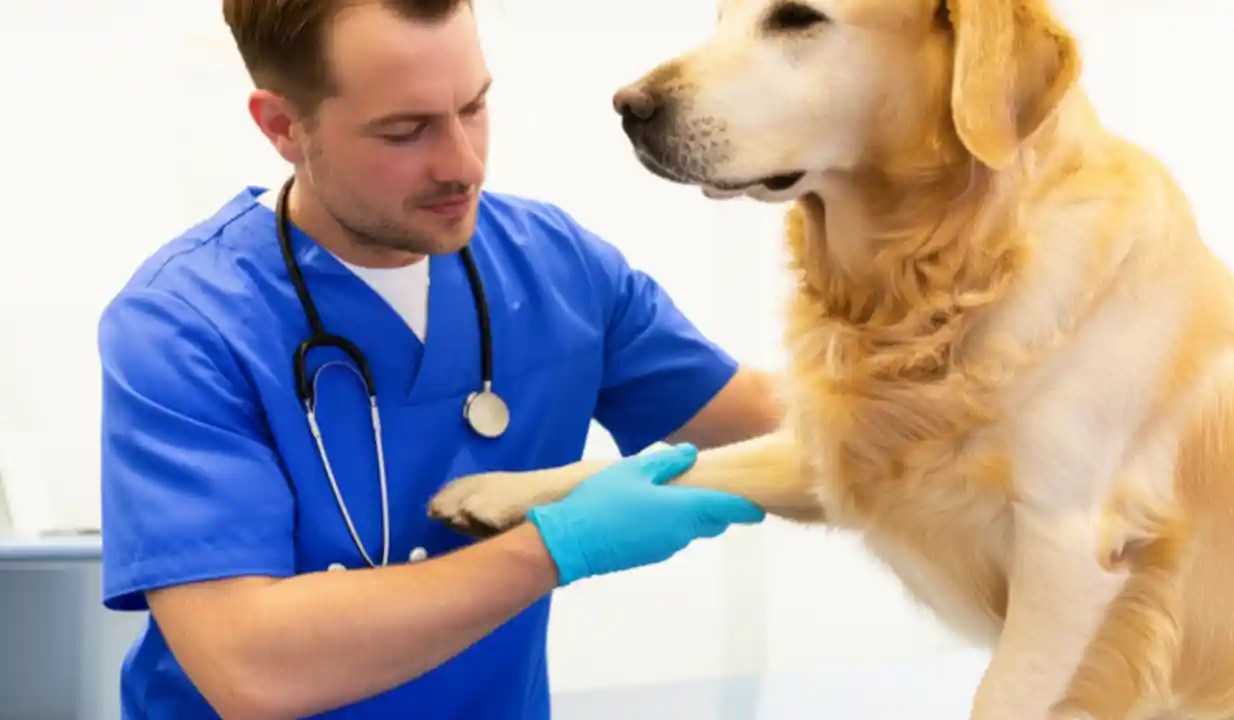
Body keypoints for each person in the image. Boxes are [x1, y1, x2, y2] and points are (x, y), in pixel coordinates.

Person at [96, 1, 782, 718]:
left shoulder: (554, 267)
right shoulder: (183, 325)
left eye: (474, 106)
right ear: (282, 127)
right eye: (405, 130)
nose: (463, 163)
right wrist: (556, 546)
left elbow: (801, 429)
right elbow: (251, 667)